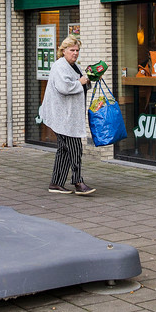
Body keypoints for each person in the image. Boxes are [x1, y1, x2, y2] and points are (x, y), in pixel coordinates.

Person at [39, 36, 95, 195]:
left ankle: (56, 183)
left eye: (77, 50)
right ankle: (78, 182)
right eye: (72, 50)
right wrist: (81, 82)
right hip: (63, 115)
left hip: (69, 115)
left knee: (64, 149)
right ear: (63, 51)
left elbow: (81, 83)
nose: (75, 53)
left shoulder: (75, 66)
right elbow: (64, 87)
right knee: (75, 148)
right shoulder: (59, 66)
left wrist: (89, 79)